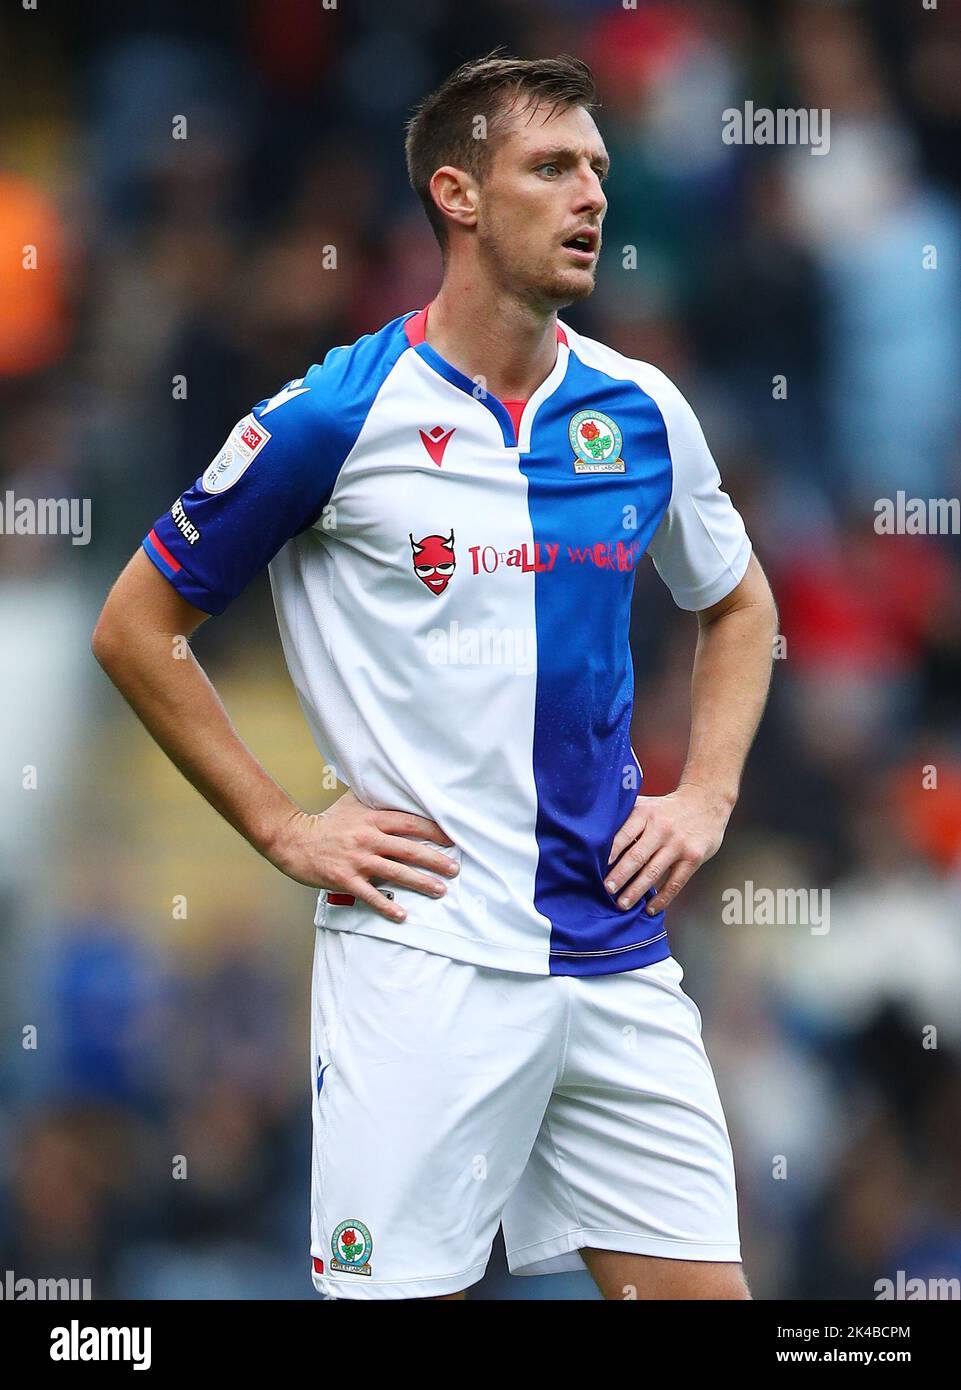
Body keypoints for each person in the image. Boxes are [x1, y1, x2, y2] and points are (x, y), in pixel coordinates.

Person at [92, 53, 778, 1301]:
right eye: (553, 169)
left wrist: (707, 797)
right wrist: (284, 825)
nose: (591, 199)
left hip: (613, 954)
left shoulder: (639, 411)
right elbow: (138, 627)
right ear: (458, 196)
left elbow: (735, 602)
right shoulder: (328, 418)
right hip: (428, 960)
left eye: (599, 172)